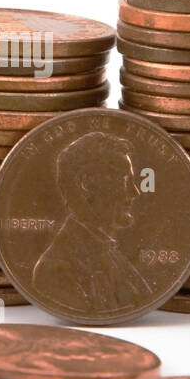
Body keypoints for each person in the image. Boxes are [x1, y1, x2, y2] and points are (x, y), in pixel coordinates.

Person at [31, 131, 153, 314]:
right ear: (86, 183)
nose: (134, 192)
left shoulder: (111, 254)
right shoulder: (54, 271)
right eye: (124, 180)